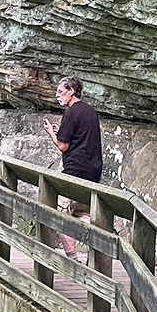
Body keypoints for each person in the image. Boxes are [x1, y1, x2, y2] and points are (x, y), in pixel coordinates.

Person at [43, 76, 102, 261]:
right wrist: (60, 131)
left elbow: (63, 146)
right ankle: (99, 242)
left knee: (60, 213)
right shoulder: (90, 111)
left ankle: (73, 259)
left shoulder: (71, 112)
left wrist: (52, 133)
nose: (57, 95)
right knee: (82, 212)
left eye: (60, 91)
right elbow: (80, 138)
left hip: (74, 171)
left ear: (71, 91)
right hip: (92, 172)